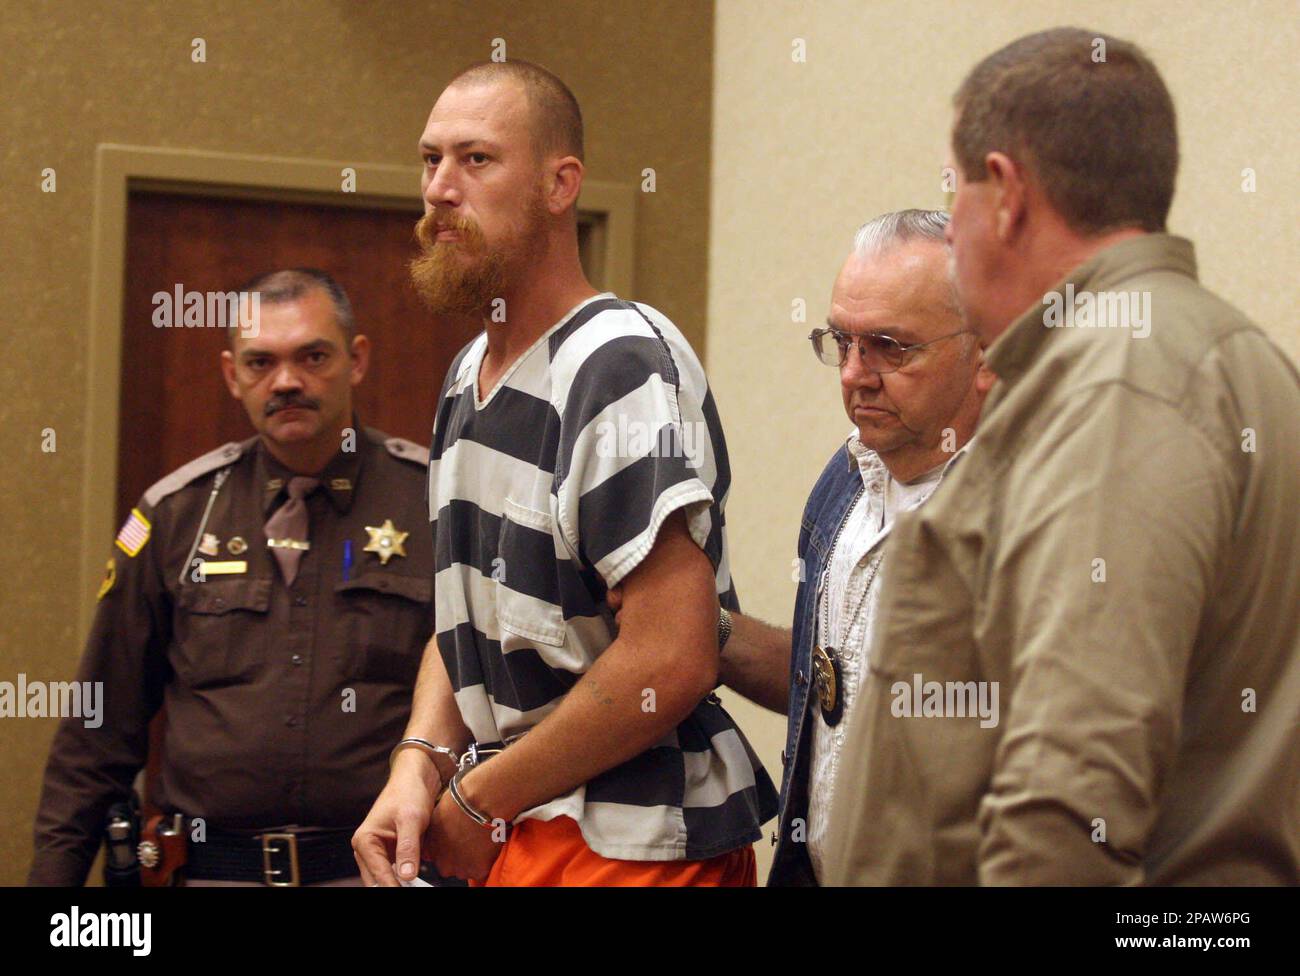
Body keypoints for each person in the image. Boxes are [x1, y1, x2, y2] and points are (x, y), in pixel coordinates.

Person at [824, 27, 1300, 885]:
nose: (955, 235)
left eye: (955, 194)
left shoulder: (1119, 385)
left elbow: (1073, 796)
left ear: (1004, 195)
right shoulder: (1223, 355)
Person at [351, 60, 777, 887]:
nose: (440, 187)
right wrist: (418, 765)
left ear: (560, 184)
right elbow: (464, 617)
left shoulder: (616, 362)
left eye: (476, 160)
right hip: (517, 817)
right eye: (429, 160)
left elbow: (674, 657)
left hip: (629, 839)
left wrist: (477, 800)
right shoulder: (467, 373)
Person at [29, 269, 434, 886]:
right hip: (212, 871)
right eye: (260, 362)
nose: (287, 381)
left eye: (313, 357)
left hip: (386, 872)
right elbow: (97, 735)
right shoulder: (175, 514)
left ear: (356, 360)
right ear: (231, 375)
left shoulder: (434, 504)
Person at [700, 210, 993, 885]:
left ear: (986, 351)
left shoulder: (1034, 512)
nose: (855, 374)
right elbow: (829, 683)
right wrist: (697, 630)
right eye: (842, 341)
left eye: (891, 346)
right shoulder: (846, 476)